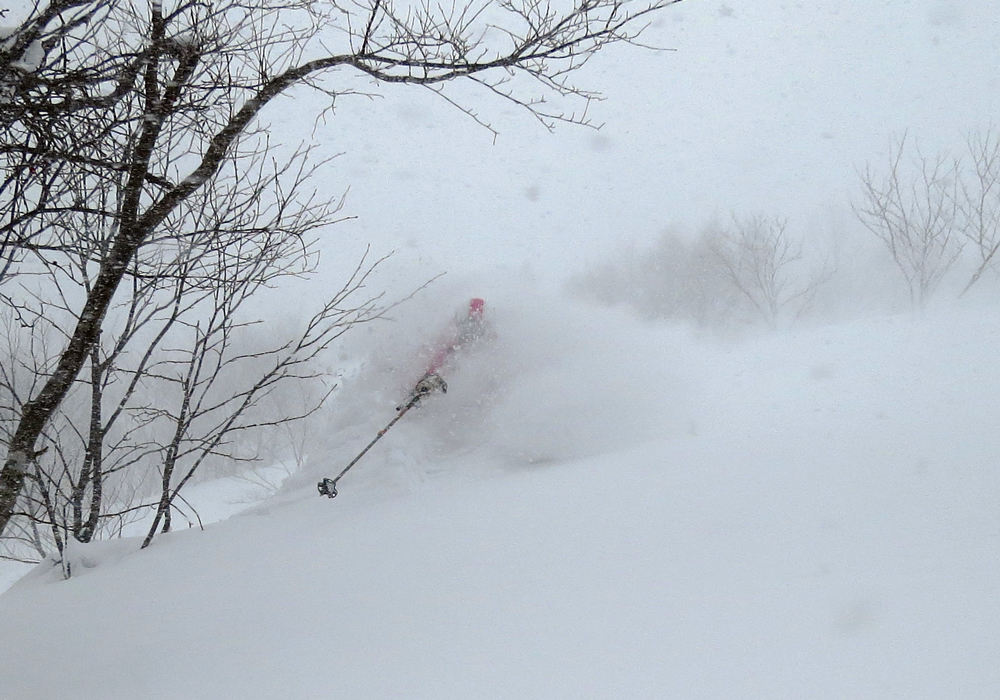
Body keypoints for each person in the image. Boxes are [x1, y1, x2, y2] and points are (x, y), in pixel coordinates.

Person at [407, 298, 490, 403]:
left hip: (462, 355)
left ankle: (427, 384)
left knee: (448, 361)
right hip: (455, 353)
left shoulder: (480, 327)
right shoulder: (462, 325)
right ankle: (426, 383)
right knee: (444, 357)